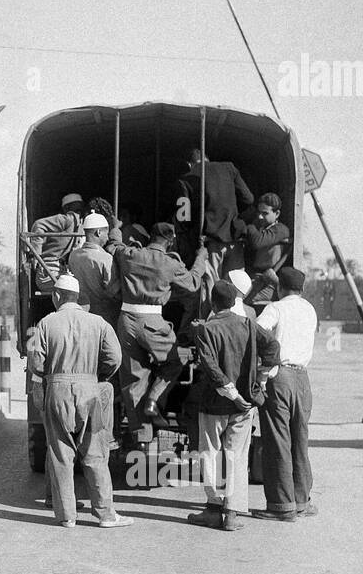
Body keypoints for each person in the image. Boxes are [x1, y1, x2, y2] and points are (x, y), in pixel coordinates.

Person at [25, 273, 131, 530]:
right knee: (95, 452)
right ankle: (106, 514)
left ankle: (66, 516)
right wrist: (99, 375)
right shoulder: (99, 323)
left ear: (57, 296)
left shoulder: (47, 324)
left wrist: (45, 378)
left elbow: (36, 361)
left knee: (61, 454)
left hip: (57, 390)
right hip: (90, 389)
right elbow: (115, 357)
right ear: (77, 297)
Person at [187, 280, 280, 532]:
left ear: (214, 303)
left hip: (214, 403)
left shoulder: (207, 329)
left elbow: (210, 365)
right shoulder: (249, 325)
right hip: (244, 405)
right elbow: (273, 346)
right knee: (237, 457)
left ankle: (213, 508)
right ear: (234, 302)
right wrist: (260, 378)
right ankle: (231, 513)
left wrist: (230, 391)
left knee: (210, 453)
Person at [105, 220, 207, 437]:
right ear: (170, 242)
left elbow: (113, 246)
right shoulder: (169, 263)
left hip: (126, 321)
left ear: (149, 237)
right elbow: (193, 284)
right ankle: (153, 399)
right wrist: (201, 255)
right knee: (178, 358)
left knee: (133, 380)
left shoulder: (130, 254)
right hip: (152, 321)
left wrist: (115, 228)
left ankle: (141, 437)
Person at [251, 267, 318, 521]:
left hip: (279, 377)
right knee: (300, 440)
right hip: (303, 378)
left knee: (278, 440)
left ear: (280, 288)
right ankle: (302, 501)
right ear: (301, 289)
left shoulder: (276, 308)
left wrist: (267, 358)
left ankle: (281, 506)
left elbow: (256, 330)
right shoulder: (310, 309)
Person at [176, 148, 254, 284]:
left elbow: (183, 217)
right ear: (208, 159)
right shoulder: (229, 168)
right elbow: (249, 199)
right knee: (236, 285)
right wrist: (232, 213)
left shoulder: (185, 179)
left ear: (189, 164)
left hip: (210, 241)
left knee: (210, 287)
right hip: (235, 238)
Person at [238, 193, 291, 306]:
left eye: (265, 213)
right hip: (254, 277)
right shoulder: (260, 227)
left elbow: (258, 242)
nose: (260, 217)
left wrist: (249, 226)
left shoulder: (281, 229)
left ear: (277, 214)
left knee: (245, 304)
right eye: (259, 212)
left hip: (268, 282)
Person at [27, 194, 86, 294]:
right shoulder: (68, 219)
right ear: (67, 208)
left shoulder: (79, 225)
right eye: (77, 207)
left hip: (59, 272)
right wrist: (36, 253)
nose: (79, 212)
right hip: (48, 273)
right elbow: (39, 225)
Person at [67, 212, 117, 323]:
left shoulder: (73, 255)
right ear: (99, 232)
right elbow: (113, 291)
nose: (107, 238)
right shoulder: (106, 258)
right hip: (102, 316)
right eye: (106, 233)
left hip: (79, 314)